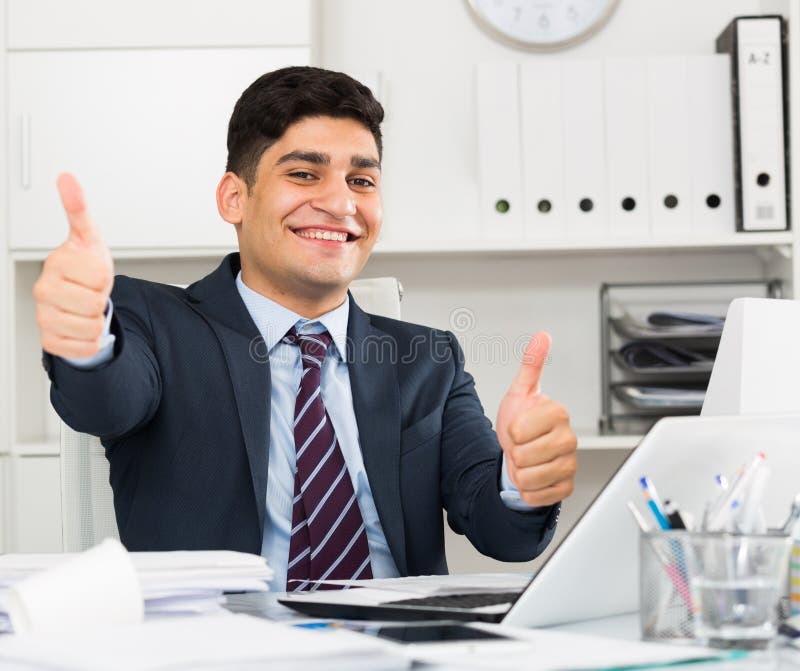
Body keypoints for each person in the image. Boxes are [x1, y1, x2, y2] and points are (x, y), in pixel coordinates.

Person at [34, 66, 577, 591]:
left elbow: (500, 532)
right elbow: (105, 402)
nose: (341, 203)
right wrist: (87, 340)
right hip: (221, 650)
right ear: (234, 198)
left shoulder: (427, 359)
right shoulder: (153, 321)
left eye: (361, 180)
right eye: (303, 173)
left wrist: (522, 482)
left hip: (394, 648)